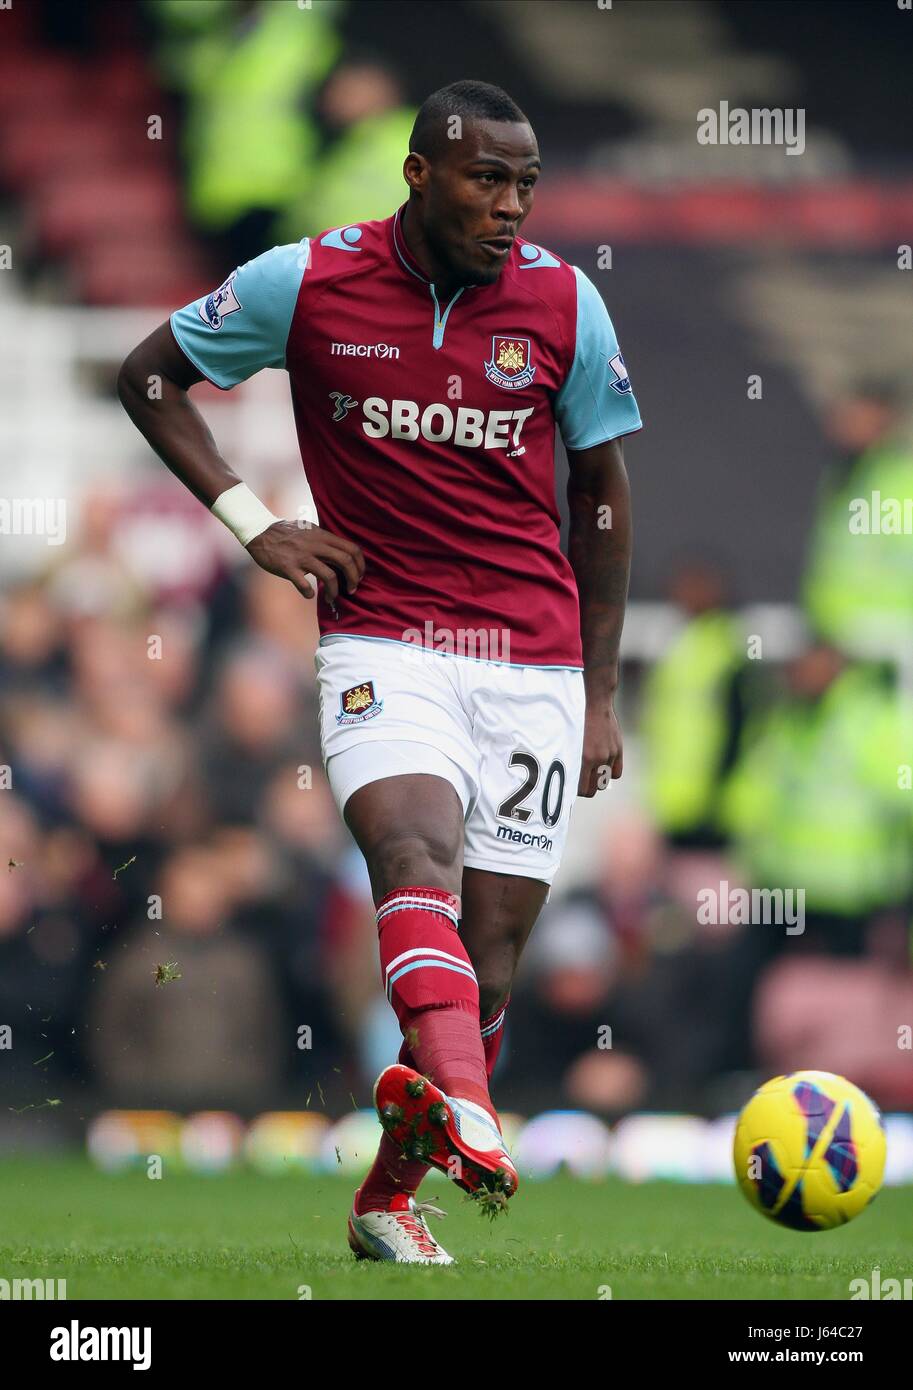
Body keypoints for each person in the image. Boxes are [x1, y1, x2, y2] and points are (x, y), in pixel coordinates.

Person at [118, 80, 642, 1264]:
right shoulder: (301, 282)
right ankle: (467, 1099)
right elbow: (146, 376)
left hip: (533, 659)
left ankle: (385, 1198)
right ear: (418, 173)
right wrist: (256, 523)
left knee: (490, 965)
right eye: (485, 179)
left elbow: (601, 497)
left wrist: (600, 694)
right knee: (411, 854)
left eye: (526, 184)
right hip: (382, 637)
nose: (510, 206)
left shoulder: (565, 303)